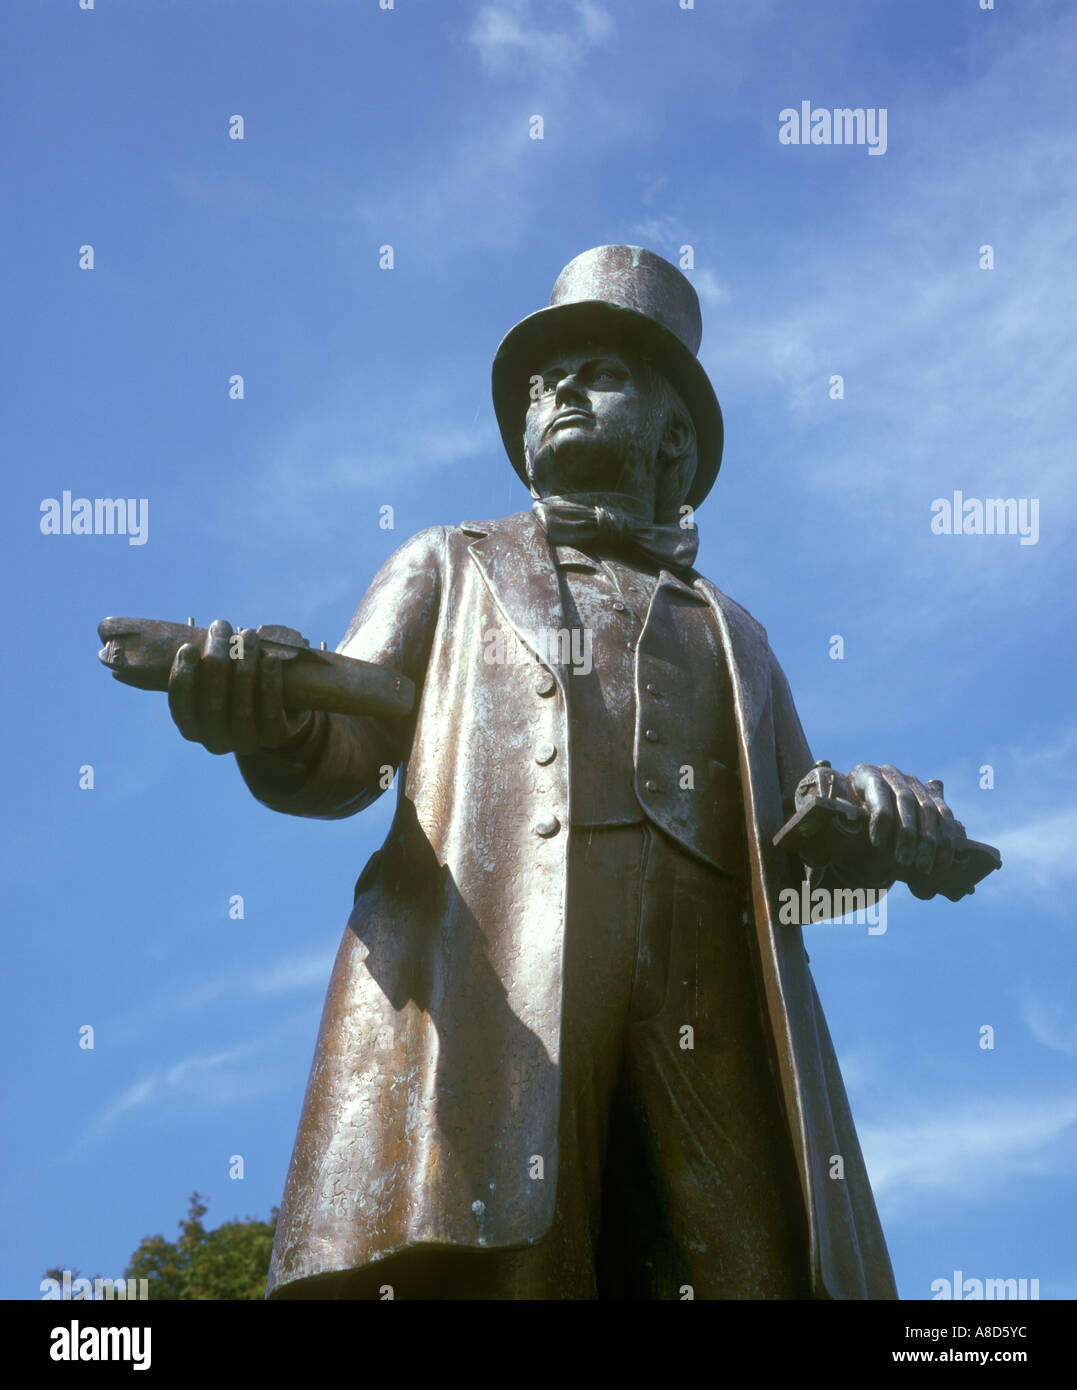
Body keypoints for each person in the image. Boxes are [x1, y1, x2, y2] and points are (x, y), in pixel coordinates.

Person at [167, 247, 956, 1299]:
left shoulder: (742, 640)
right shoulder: (448, 562)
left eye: (604, 370)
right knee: (512, 1261)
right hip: (504, 976)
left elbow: (805, 880)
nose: (564, 390)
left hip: (711, 994)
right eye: (547, 380)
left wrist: (882, 819)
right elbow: (341, 751)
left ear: (675, 432)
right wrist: (265, 720)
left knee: (749, 1268)